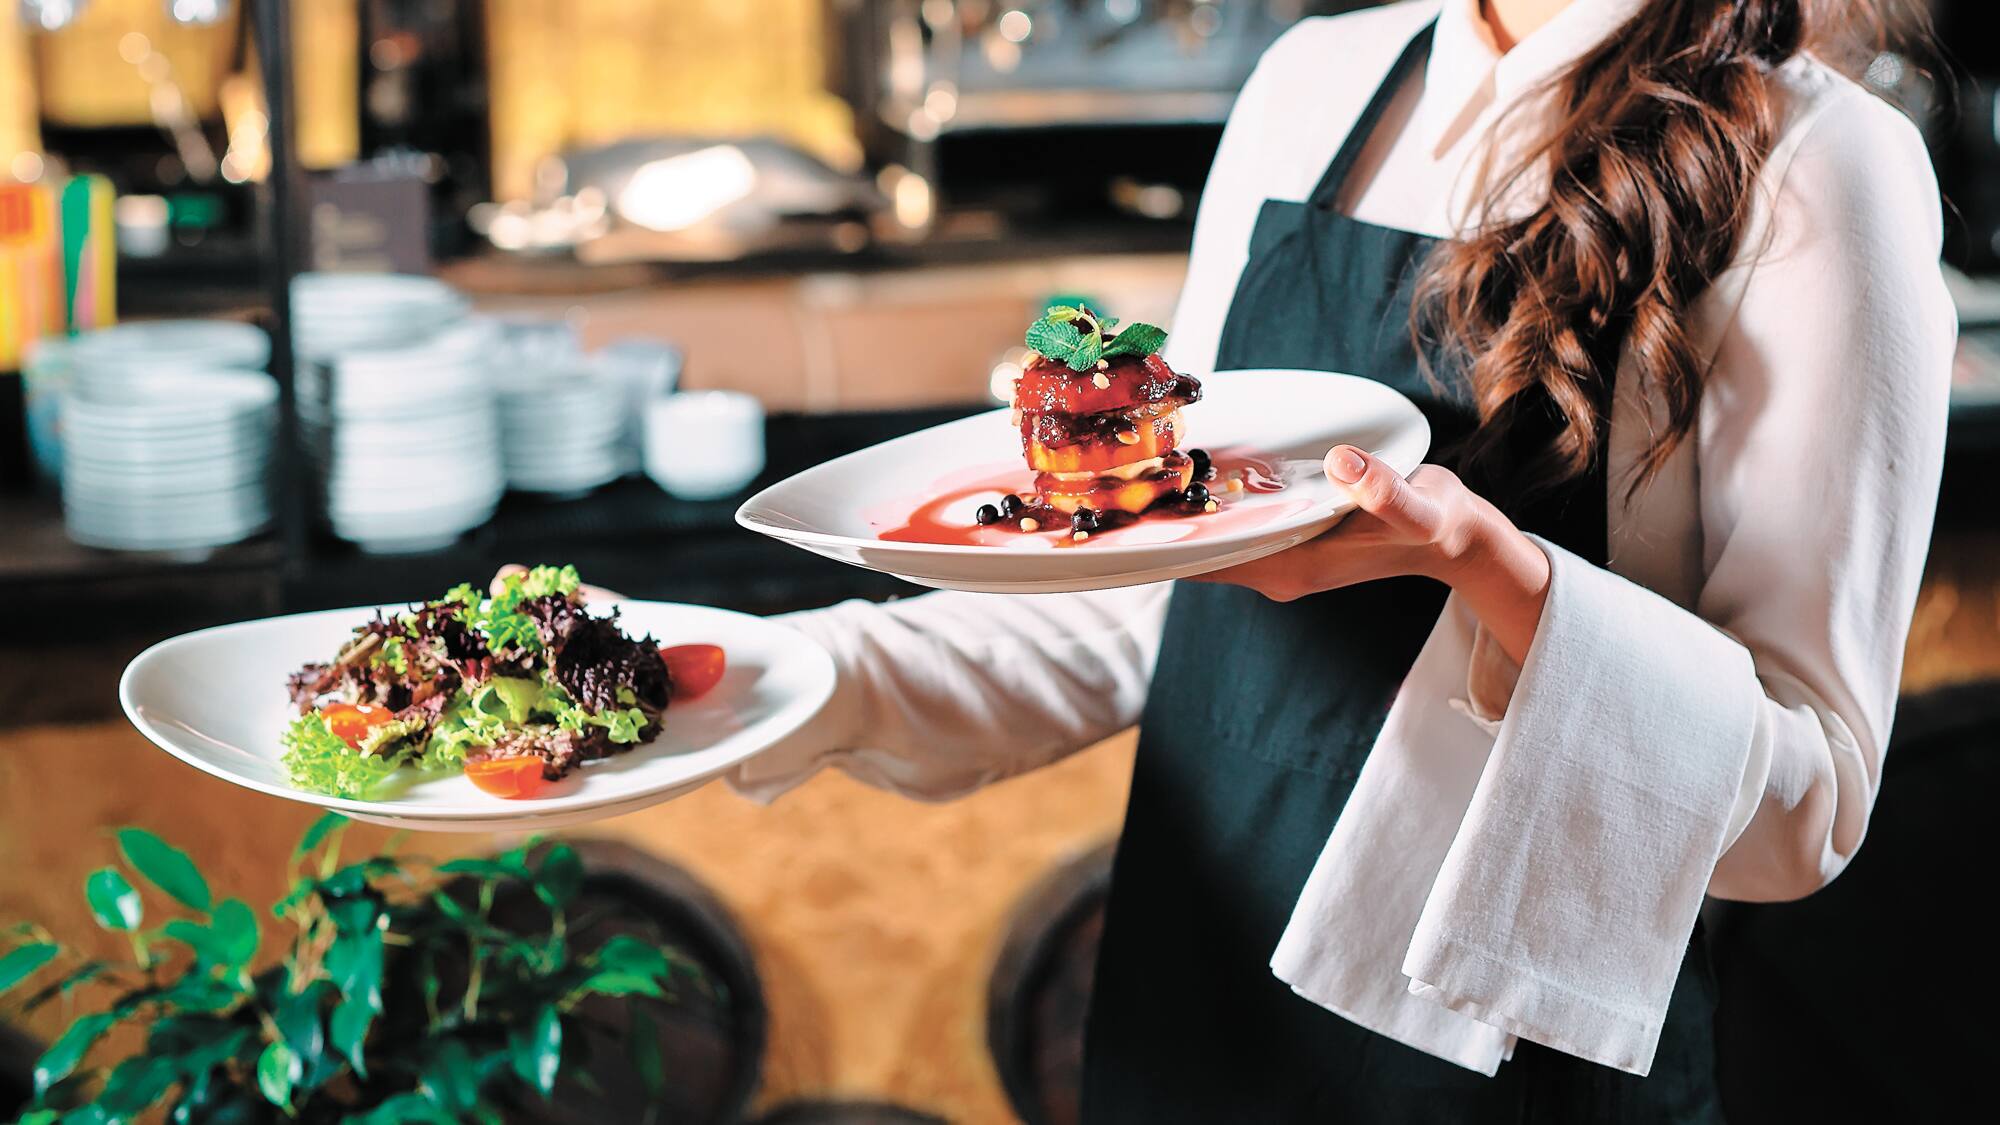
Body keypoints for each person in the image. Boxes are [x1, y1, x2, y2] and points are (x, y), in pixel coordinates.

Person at [633, 0, 1958, 1118]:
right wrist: (769, 675)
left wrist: (1501, 579)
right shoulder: (1313, 83)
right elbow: (1142, 603)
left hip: (1498, 1052)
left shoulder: (1823, 165)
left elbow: (1808, 812)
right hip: (1191, 1000)